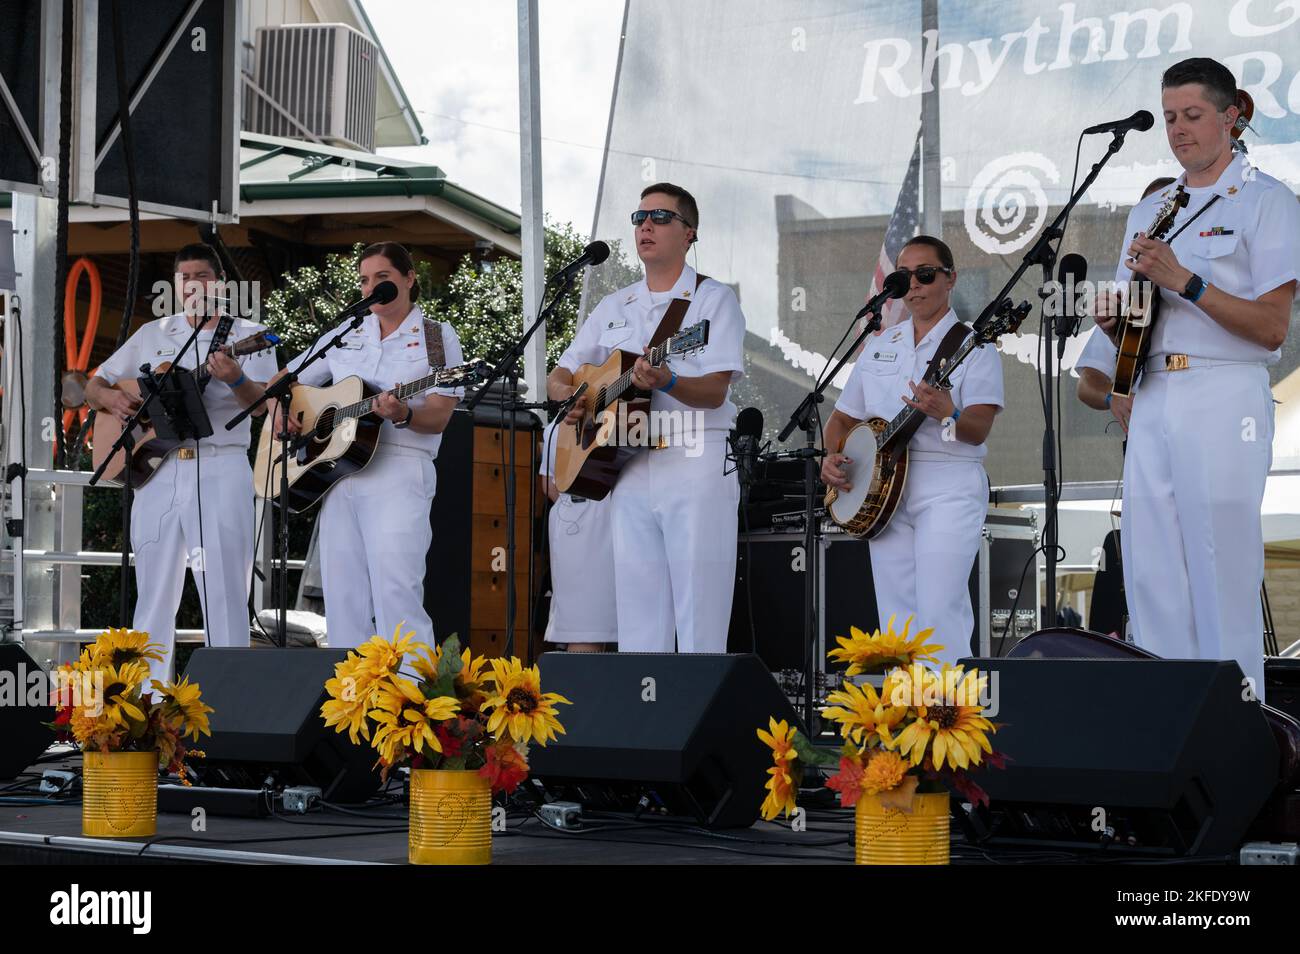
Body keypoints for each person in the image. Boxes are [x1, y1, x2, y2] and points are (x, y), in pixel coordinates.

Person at [1091, 57, 1300, 700]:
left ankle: (1240, 740)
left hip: (1223, 392)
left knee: (1219, 574)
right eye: (1172, 117)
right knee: (1151, 576)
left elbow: (1271, 327)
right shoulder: (1152, 207)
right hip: (1152, 393)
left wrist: (1185, 279)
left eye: (1193, 115)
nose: (1179, 130)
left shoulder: (1267, 200)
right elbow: (1142, 319)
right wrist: (1112, 322)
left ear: (1232, 116)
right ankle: (1168, 734)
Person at [546, 183, 746, 653]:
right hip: (627, 463)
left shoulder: (712, 301)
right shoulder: (614, 305)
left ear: (689, 233)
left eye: (659, 217)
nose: (646, 226)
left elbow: (716, 390)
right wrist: (572, 396)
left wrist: (669, 382)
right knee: (637, 612)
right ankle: (647, 719)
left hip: (694, 455)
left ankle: (700, 717)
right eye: (639, 219)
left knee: (699, 611)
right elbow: (561, 373)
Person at [86, 243, 278, 682]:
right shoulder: (155, 332)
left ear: (222, 284)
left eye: (203, 276)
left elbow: (266, 405)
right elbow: (93, 384)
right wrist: (114, 397)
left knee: (224, 591)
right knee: (153, 592)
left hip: (219, 466)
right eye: (186, 277)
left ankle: (230, 709)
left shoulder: (249, 333)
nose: (194, 285)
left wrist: (237, 377)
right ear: (176, 285)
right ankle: (148, 710)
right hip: (157, 471)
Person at [820, 235, 1004, 666]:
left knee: (940, 610)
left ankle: (950, 720)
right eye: (906, 277)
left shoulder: (975, 344)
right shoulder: (881, 343)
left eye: (926, 274)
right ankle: (907, 723)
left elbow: (978, 429)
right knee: (896, 621)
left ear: (950, 278)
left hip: (948, 482)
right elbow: (842, 420)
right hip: (883, 490)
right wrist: (832, 455)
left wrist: (948, 412)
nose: (916, 285)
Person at [277, 242, 464, 648]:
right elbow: (286, 378)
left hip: (399, 468)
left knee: (396, 591)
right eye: (364, 280)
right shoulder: (345, 333)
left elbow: (440, 415)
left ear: (409, 278)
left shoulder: (436, 336)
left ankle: (413, 700)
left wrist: (404, 415)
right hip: (338, 474)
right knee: (343, 598)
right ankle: (353, 702)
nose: (371, 287)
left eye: (383, 278)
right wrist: (283, 407)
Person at [537, 418, 617, 651]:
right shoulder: (558, 424)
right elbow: (548, 483)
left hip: (583, 515)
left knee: (588, 627)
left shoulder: (557, 424)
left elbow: (548, 484)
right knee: (585, 628)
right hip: (583, 521)